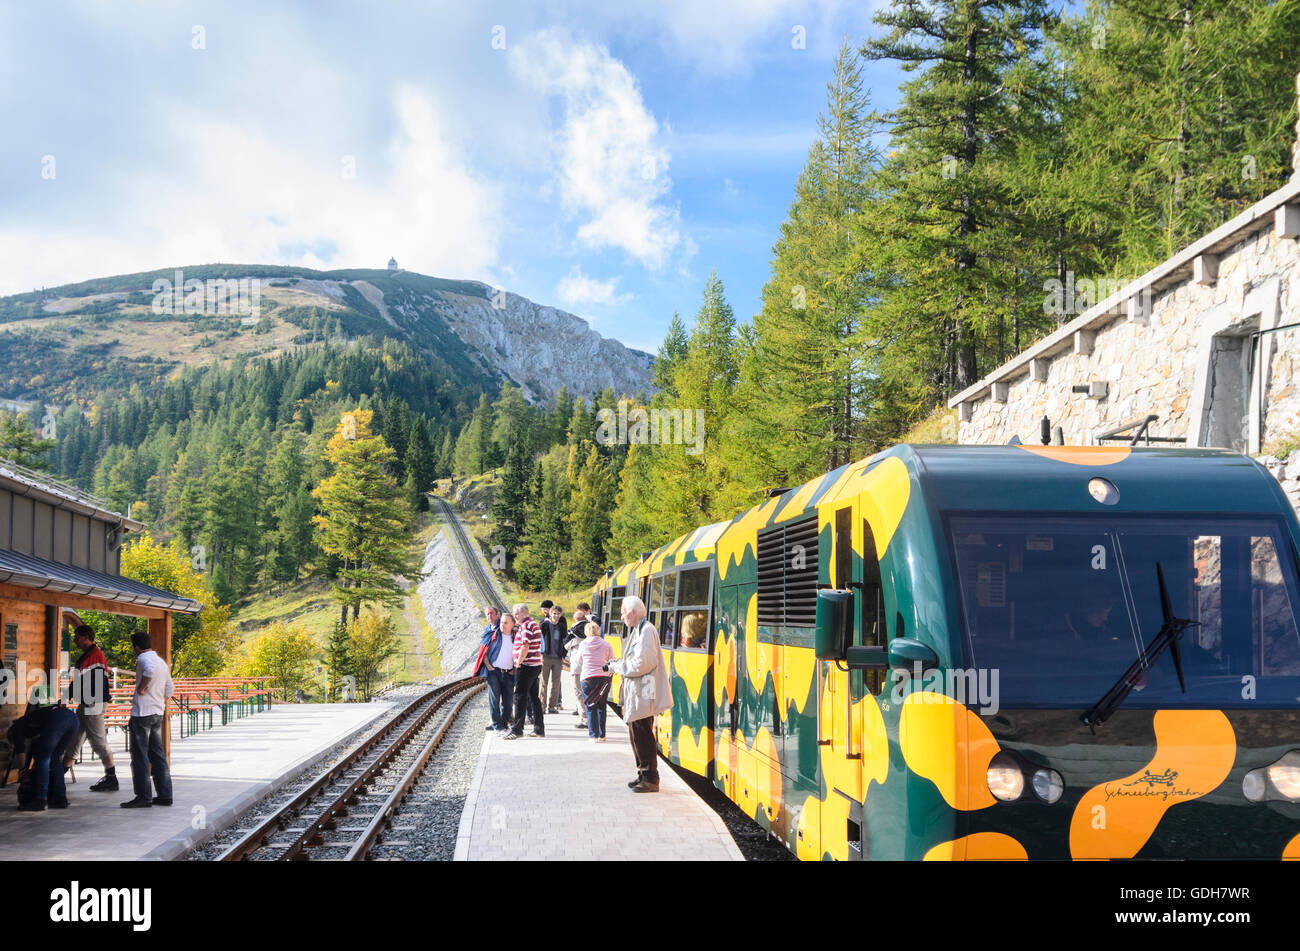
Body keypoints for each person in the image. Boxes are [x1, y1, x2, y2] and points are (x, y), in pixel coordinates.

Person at [606, 595, 672, 792]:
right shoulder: (639, 630)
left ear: (633, 612)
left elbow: (642, 663)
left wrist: (617, 666)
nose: (622, 615)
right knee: (637, 733)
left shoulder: (646, 631)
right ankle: (643, 774)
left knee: (642, 734)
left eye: (623, 611)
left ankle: (650, 778)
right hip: (639, 691)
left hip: (643, 691)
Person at [61, 622, 118, 791]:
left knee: (99, 741)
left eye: (77, 638)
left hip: (94, 703)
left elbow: (78, 680)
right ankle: (57, 775)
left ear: (86, 638)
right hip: (86, 703)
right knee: (75, 738)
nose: (76, 641)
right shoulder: (89, 654)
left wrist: (66, 697)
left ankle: (112, 778)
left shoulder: (93, 655)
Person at [121, 631, 174, 808]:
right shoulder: (161, 662)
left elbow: (149, 671)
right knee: (157, 754)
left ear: (136, 646)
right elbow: (170, 688)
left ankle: (144, 796)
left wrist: (142, 689)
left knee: (140, 756)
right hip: (157, 713)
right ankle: (165, 795)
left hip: (142, 713)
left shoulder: (144, 658)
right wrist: (159, 700)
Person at [7, 688, 79, 811]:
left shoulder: (16, 729)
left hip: (58, 719)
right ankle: (60, 798)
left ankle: (40, 800)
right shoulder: (29, 723)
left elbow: (21, 753)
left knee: (42, 758)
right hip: (72, 718)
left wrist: (23, 771)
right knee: (55, 758)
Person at [504, 604, 544, 739]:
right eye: (514, 613)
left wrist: (518, 662)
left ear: (524, 613)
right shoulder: (533, 624)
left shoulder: (526, 626)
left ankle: (517, 730)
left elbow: (525, 645)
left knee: (519, 697)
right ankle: (539, 729)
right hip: (535, 665)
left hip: (526, 666)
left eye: (516, 613)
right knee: (534, 698)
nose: (514, 616)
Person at [575, 620, 613, 741]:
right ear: (598, 631)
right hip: (603, 678)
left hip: (587, 679)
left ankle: (593, 736)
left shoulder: (583, 645)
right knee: (602, 706)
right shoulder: (606, 644)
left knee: (590, 706)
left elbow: (579, 661)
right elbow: (611, 661)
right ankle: (602, 735)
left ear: (586, 632)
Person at [485, 613, 516, 731]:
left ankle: (504, 723)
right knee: (494, 700)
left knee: (508, 702)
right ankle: (497, 725)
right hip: (495, 672)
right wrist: (489, 666)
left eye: (506, 622)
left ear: (512, 624)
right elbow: (483, 651)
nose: (502, 625)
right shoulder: (495, 635)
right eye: (502, 622)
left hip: (509, 673)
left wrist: (514, 669)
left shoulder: (516, 637)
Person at [566, 602, 593, 726]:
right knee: (590, 692)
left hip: (577, 666)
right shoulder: (591, 630)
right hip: (590, 666)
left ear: (574, 619)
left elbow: (565, 645)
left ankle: (585, 719)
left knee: (579, 693)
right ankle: (592, 718)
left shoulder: (572, 633)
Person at [539, 605, 568, 714]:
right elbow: (539, 636)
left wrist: (563, 655)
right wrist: (541, 653)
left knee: (556, 684)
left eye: (558, 614)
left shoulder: (561, 626)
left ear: (560, 615)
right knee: (543, 683)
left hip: (558, 658)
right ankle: (542, 706)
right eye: (554, 613)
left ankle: (552, 706)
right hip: (545, 657)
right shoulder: (545, 624)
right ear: (550, 614)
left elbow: (566, 641)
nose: (556, 616)